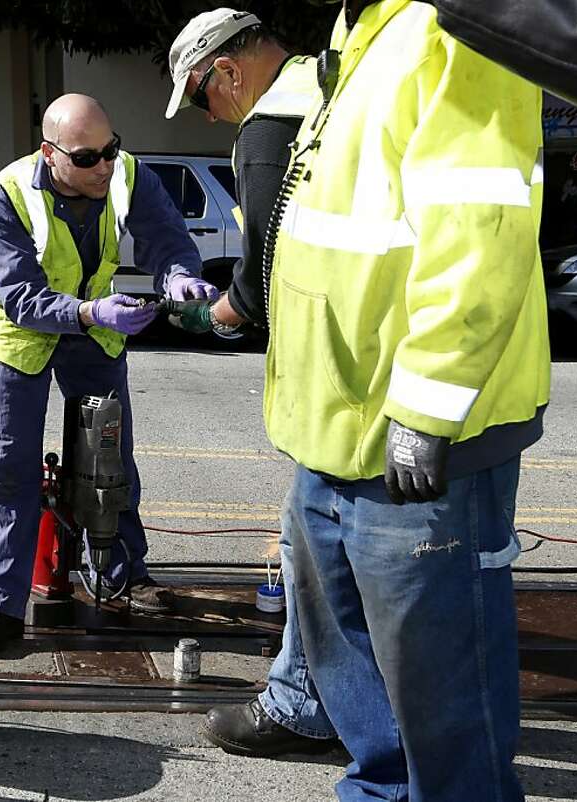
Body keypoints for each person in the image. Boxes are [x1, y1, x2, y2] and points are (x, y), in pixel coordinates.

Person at [185, 1, 550, 799]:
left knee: (448, 717)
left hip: (414, 446)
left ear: (226, 70)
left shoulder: (452, 33)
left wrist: (425, 410)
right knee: (360, 691)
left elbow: (479, 235)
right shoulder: (352, 52)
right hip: (332, 440)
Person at [0, 93, 219, 658]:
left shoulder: (126, 175)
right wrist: (87, 312)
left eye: (110, 150)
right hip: (22, 332)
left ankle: (123, 574)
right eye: (87, 158)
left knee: (110, 457)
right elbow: (20, 296)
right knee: (10, 471)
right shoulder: (7, 196)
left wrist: (178, 274)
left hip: (94, 329)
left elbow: (166, 235)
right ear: (50, 154)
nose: (103, 165)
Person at [163, 7, 339, 758]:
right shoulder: (328, 88)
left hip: (330, 383)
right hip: (360, 369)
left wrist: (218, 316)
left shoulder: (269, 128)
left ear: (229, 72)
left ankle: (302, 701)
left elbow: (264, 271)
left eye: (204, 97)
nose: (212, 114)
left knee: (312, 546)